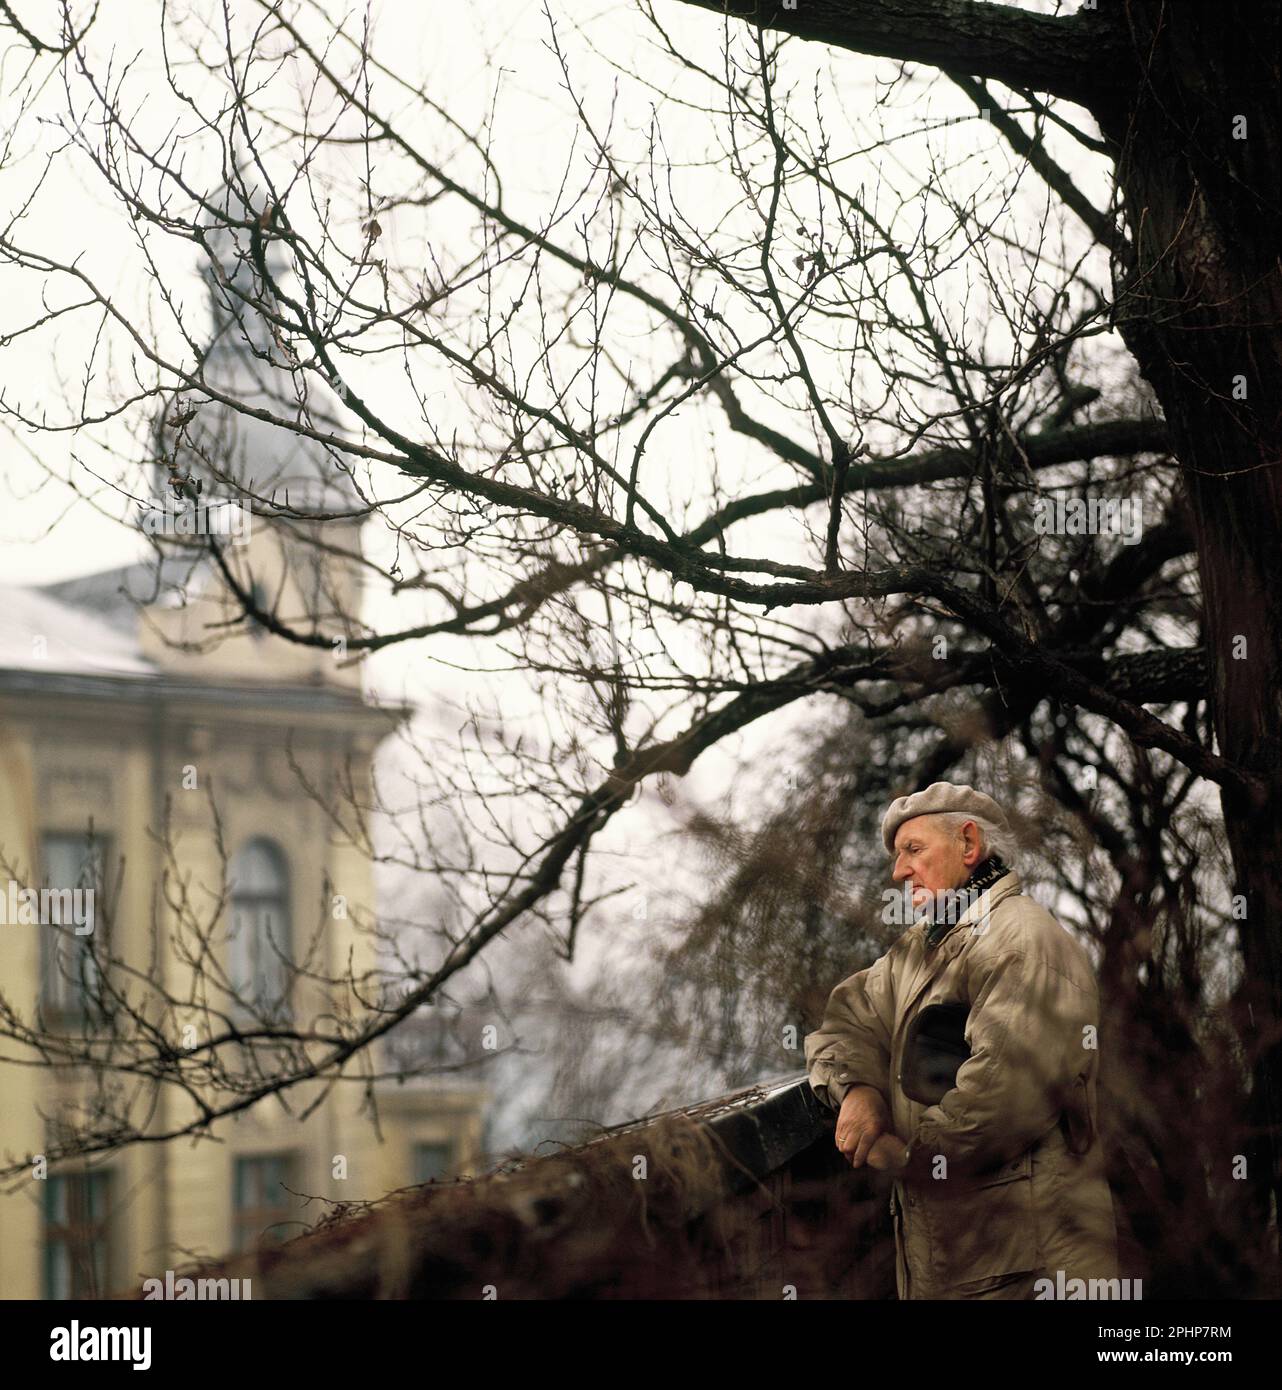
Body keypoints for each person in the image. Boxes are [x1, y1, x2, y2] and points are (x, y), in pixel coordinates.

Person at [804, 781, 1120, 1299]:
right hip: (971, 1266)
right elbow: (846, 1022)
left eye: (913, 849)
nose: (898, 871)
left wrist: (906, 1158)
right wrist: (857, 1090)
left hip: (1029, 1272)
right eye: (897, 855)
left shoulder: (1020, 941)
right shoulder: (921, 949)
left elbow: (1000, 1100)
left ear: (968, 844)